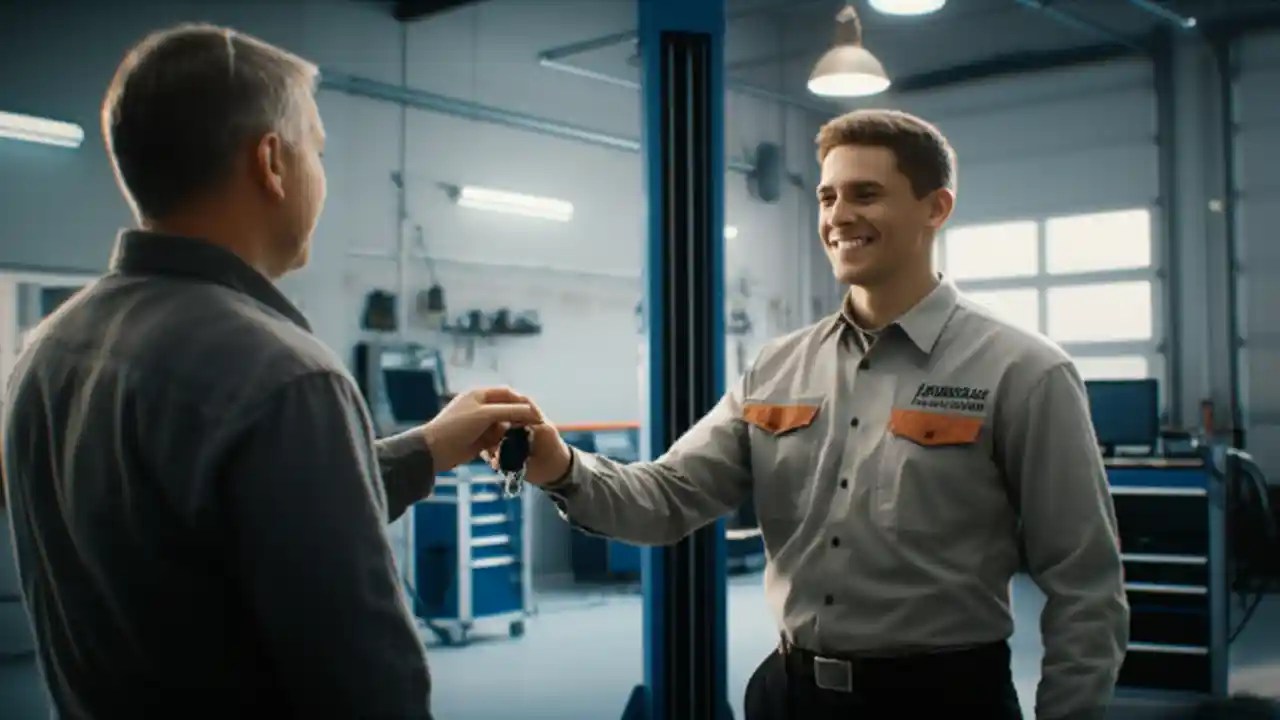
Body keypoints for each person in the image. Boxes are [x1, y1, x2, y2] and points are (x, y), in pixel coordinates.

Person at [504, 109, 1130, 719]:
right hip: (790, 695)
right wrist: (560, 466)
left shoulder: (1023, 370)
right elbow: (668, 497)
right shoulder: (777, 367)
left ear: (935, 208)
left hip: (942, 699)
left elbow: (1086, 586)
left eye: (865, 194)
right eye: (828, 197)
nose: (838, 216)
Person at [0, 23, 537, 719]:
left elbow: (243, 517)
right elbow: (371, 686)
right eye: (317, 148)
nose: (322, 174)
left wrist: (429, 447)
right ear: (271, 162)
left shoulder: (46, 349)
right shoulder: (284, 376)